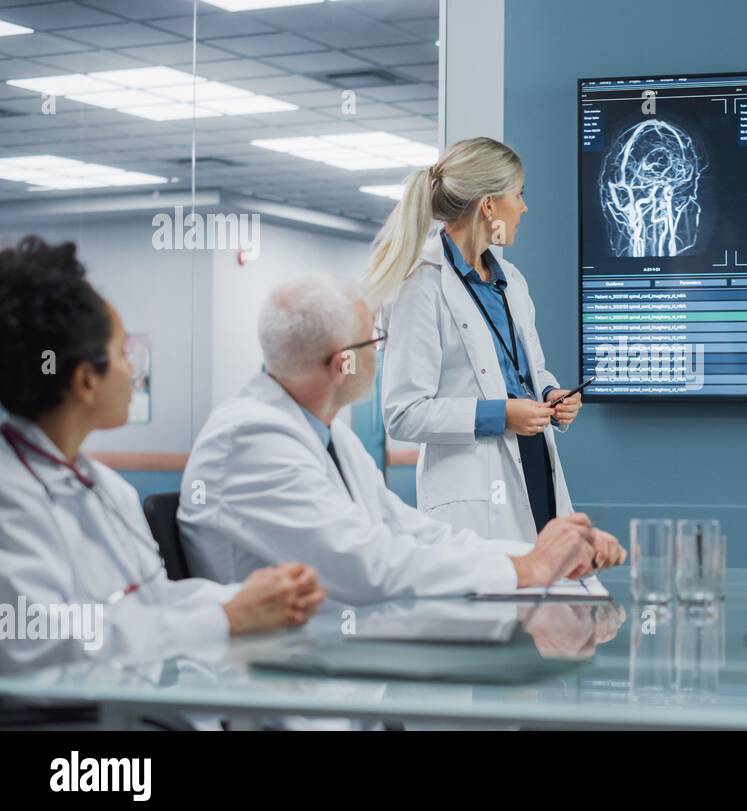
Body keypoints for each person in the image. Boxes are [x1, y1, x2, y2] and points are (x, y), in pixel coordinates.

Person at [180, 276, 625, 606]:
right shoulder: (252, 439)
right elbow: (368, 566)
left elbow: (415, 534)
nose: (383, 351)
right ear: (343, 366)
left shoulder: (330, 436)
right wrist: (527, 567)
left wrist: (546, 555)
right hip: (286, 687)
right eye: (375, 341)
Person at [0, 236, 325, 674]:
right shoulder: (11, 496)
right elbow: (44, 644)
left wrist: (254, 596)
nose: (134, 368)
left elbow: (154, 598)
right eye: (121, 354)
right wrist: (226, 618)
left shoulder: (104, 487)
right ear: (85, 381)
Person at [363, 137, 584, 543]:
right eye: (518, 195)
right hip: (473, 491)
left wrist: (551, 393)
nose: (524, 208)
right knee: (494, 597)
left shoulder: (510, 281)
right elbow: (403, 414)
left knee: (546, 592)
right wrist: (500, 415)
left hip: (536, 467)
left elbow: (526, 370)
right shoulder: (421, 286)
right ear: (489, 206)